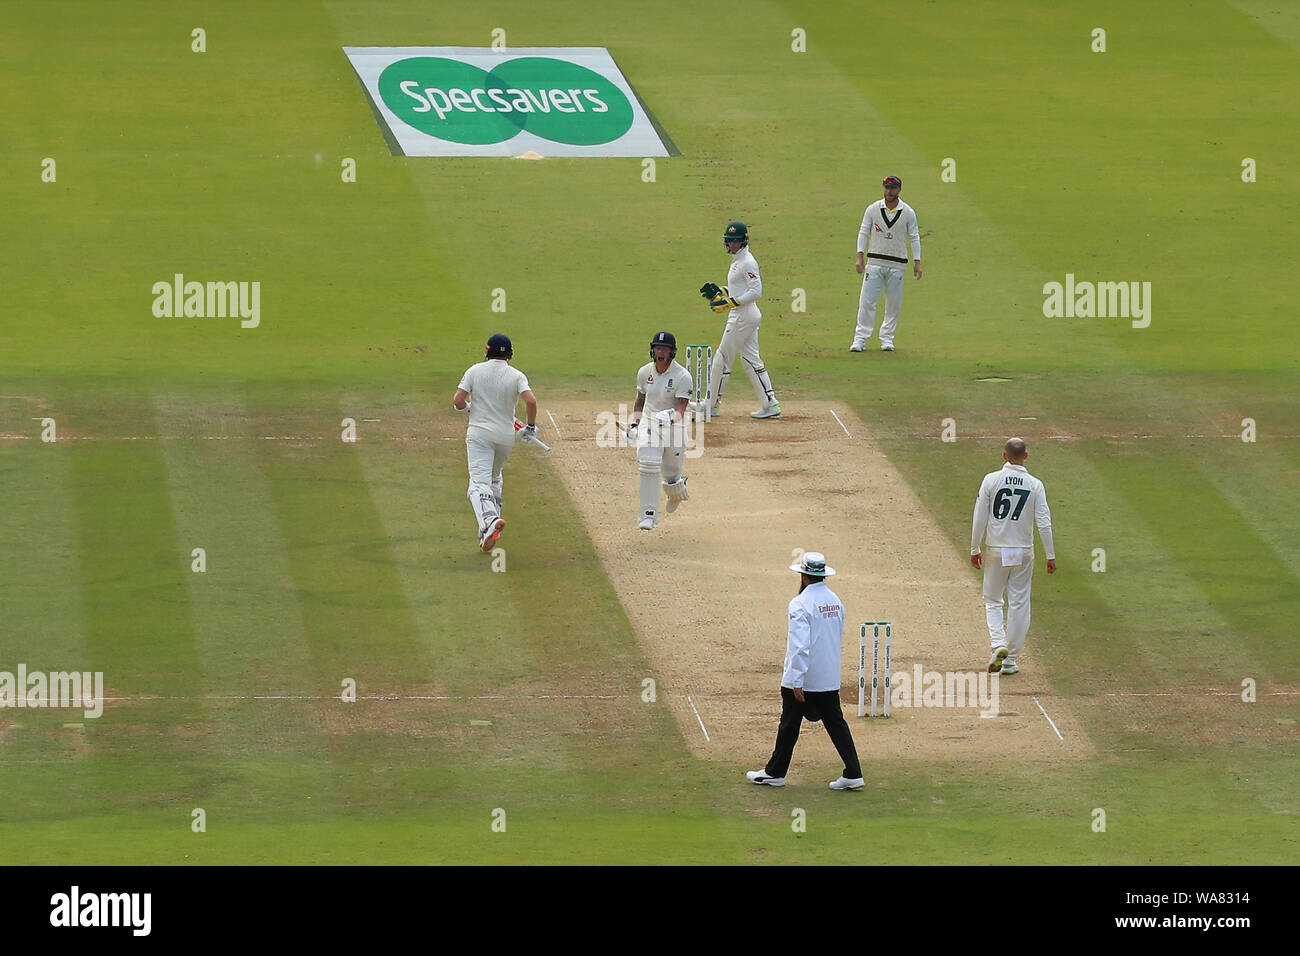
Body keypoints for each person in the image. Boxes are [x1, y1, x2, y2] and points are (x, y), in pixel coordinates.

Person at [747, 552, 864, 790]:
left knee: (789, 724)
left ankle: (775, 772)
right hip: (828, 678)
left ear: (803, 575)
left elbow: (800, 645)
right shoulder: (835, 601)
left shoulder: (799, 604)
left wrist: (796, 681)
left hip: (804, 679)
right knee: (836, 725)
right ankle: (853, 773)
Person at [970, 438, 1056, 675]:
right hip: (1022, 552)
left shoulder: (991, 480)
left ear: (1004, 456)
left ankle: (998, 644)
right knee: (1019, 604)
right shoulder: (1035, 484)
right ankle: (1010, 660)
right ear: (1025, 456)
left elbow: (980, 516)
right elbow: (1044, 522)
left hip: (997, 550)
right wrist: (1051, 555)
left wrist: (974, 548)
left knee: (993, 600)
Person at [452, 333, 539, 552]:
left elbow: (458, 401)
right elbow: (531, 400)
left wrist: (467, 408)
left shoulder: (474, 370)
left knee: (477, 484)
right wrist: (530, 427)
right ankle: (487, 532)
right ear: (509, 353)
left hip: (480, 434)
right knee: (493, 479)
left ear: (487, 350)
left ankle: (490, 520)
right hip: (505, 437)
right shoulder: (517, 375)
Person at [700, 221, 781, 418]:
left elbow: (756, 291)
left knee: (722, 358)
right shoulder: (738, 260)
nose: (732, 244)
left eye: (736, 241)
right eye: (729, 240)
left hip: (742, 316)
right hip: (745, 314)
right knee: (750, 360)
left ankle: (711, 405)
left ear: (744, 241)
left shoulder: (748, 262)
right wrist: (724, 293)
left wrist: (731, 302)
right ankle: (770, 403)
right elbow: (742, 289)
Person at [852, 175, 922, 352]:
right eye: (886, 188)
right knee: (867, 302)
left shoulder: (908, 212)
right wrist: (860, 257)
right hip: (874, 262)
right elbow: (863, 232)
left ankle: (887, 339)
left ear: (899, 190)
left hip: (897, 265)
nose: (889, 191)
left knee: (893, 304)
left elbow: (914, 237)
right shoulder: (873, 209)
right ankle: (860, 339)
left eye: (892, 188)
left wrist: (917, 262)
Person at [631, 331, 692, 530]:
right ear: (652, 350)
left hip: (674, 426)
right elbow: (640, 401)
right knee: (648, 463)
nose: (661, 352)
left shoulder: (682, 376)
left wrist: (669, 417)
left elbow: (681, 409)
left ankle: (676, 490)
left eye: (665, 349)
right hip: (650, 422)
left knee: (671, 474)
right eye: (658, 348)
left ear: (672, 352)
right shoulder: (644, 372)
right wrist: (636, 424)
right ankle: (648, 515)